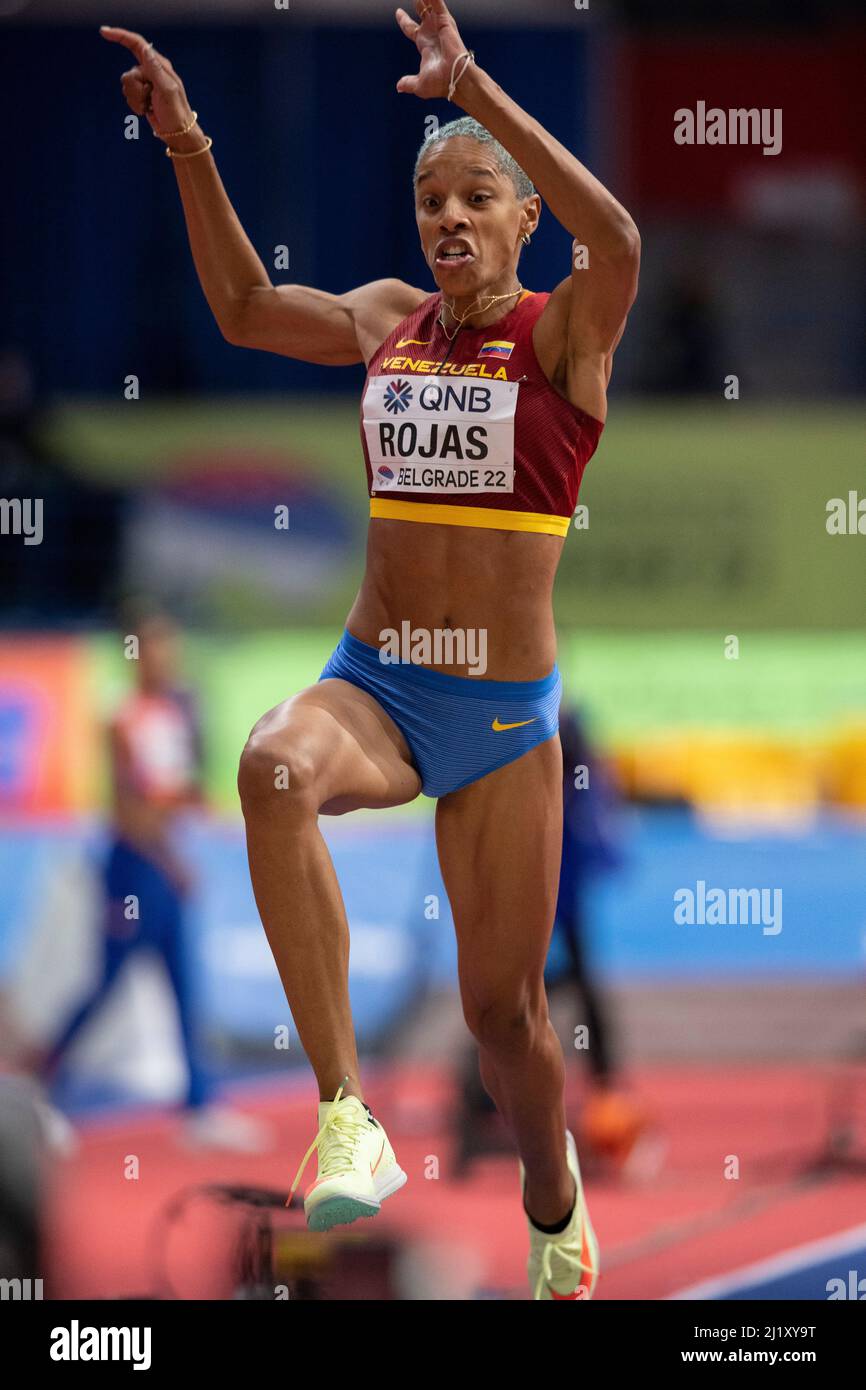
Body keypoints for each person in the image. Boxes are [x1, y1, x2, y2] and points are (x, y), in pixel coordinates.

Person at [102, 0, 640, 1299]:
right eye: (429, 203)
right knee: (271, 768)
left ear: (522, 220)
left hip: (504, 717)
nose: (446, 222)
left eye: (474, 201)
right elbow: (239, 306)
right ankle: (347, 1115)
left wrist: (472, 84)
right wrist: (188, 147)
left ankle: (552, 1199)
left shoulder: (563, 339)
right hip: (379, 685)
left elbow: (616, 233)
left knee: (501, 1020)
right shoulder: (383, 322)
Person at [33, 608, 267, 1152]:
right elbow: (127, 812)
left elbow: (177, 791)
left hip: (164, 863)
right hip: (136, 867)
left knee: (185, 986)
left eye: (173, 647)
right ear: (136, 654)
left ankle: (200, 1106)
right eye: (159, 648)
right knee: (105, 985)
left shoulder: (175, 713)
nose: (170, 658)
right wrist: (172, 861)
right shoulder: (122, 718)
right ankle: (40, 1092)